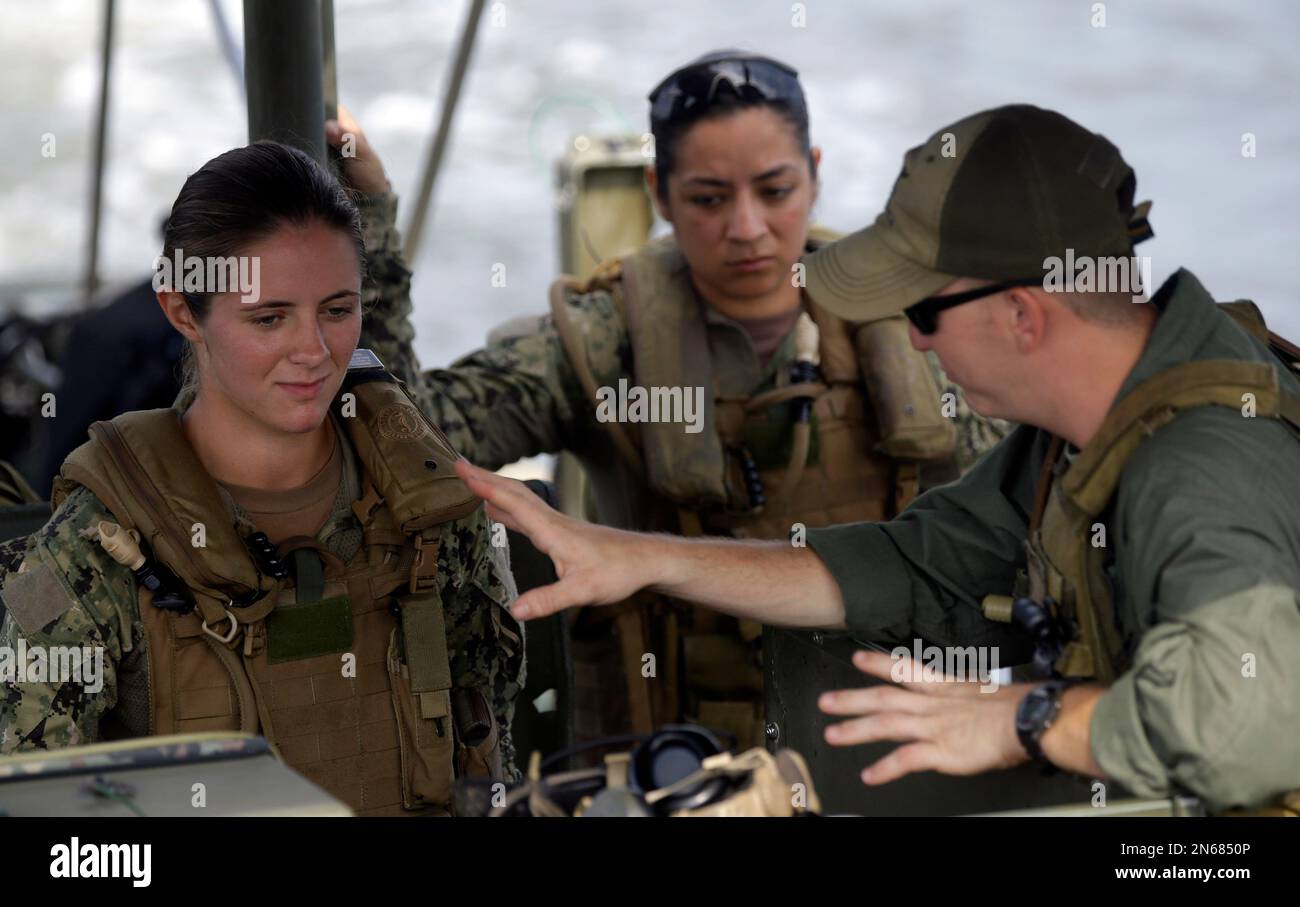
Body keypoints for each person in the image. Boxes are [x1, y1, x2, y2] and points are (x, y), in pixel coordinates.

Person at [450, 103, 1300, 814]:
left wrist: (1022, 719)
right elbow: (914, 566)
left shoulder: (1201, 466)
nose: (914, 339)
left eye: (922, 315)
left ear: (1024, 316)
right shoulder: (1078, 428)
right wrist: (641, 557)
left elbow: (1252, 729)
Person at [348, 52, 1010, 746]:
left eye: (775, 190)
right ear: (659, 194)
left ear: (815, 172)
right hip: (666, 761)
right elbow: (412, 449)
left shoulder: (917, 327)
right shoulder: (601, 343)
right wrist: (368, 227)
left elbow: (1012, 522)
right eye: (709, 198)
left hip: (880, 755)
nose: (747, 227)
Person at [0, 139, 524, 817]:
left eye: (337, 310)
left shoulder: (426, 509)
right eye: (269, 318)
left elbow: (489, 749)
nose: (313, 351)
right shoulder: (92, 552)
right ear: (183, 311)